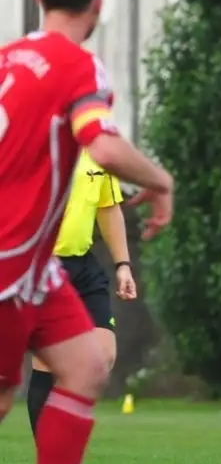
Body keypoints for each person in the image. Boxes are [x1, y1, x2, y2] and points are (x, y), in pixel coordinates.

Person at [0, 0, 174, 464]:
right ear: (97, 5)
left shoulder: (8, 58)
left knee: (87, 366)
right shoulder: (80, 67)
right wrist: (160, 180)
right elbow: (98, 142)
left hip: (35, 265)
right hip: (10, 261)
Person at [26, 134, 136, 440]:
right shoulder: (33, 140)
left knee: (102, 357)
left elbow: (109, 208)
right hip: (39, 264)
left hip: (82, 265)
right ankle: (54, 455)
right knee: (48, 362)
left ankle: (60, 442)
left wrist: (123, 265)